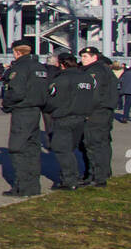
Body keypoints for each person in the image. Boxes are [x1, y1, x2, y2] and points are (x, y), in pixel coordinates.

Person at [0, 41, 50, 197]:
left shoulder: (20, 68)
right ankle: (33, 186)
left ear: (17, 52)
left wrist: (6, 104)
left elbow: (16, 91)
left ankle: (22, 187)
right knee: (32, 149)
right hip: (36, 110)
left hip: (22, 110)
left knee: (18, 148)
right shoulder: (40, 67)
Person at [44, 52, 98, 190]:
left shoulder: (62, 79)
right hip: (81, 117)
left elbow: (53, 99)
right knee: (70, 149)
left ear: (61, 64)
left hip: (64, 117)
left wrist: (48, 108)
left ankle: (70, 180)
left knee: (62, 149)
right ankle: (71, 177)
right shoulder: (87, 77)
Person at [78, 46, 116, 187]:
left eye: (86, 57)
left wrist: (86, 111)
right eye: (82, 56)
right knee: (102, 143)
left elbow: (94, 94)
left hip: (96, 113)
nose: (82, 59)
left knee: (93, 144)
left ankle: (96, 177)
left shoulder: (94, 71)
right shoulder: (104, 69)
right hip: (104, 111)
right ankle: (101, 174)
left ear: (95, 57)